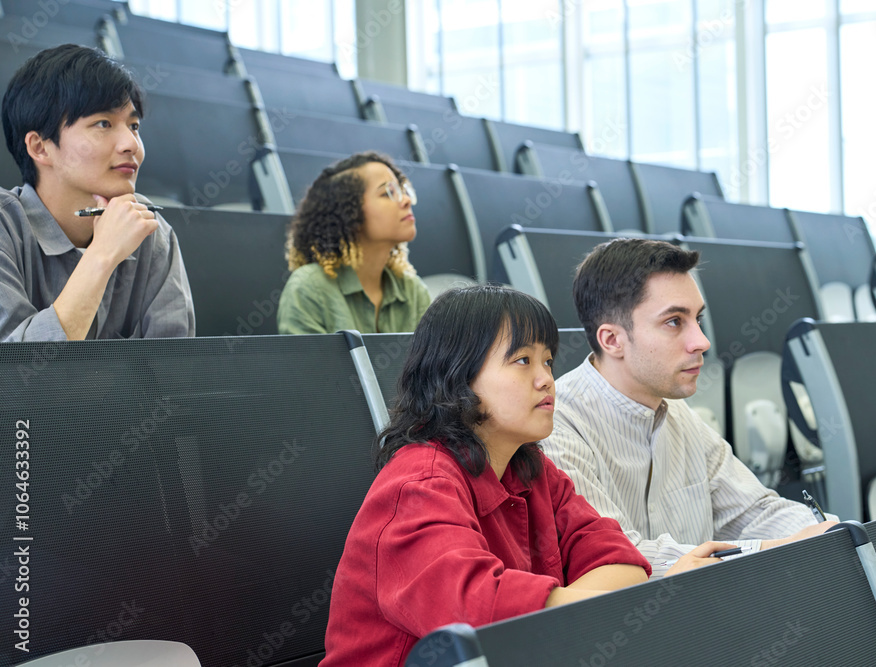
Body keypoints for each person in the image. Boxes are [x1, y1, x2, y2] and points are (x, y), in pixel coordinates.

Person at [319, 285, 733, 666]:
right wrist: (641, 600)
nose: (546, 379)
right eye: (522, 361)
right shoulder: (417, 485)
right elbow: (484, 623)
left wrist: (599, 599)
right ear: (457, 375)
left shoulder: (534, 470)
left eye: (548, 361)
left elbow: (622, 561)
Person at [542, 238, 838, 578]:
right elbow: (626, 558)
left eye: (697, 319)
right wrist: (782, 547)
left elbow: (753, 512)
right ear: (612, 340)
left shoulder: (678, 414)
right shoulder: (555, 427)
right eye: (674, 322)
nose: (702, 341)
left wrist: (833, 533)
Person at [0, 44, 195, 342]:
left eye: (134, 125)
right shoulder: (6, 228)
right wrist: (102, 255)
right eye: (103, 123)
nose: (131, 144)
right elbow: (18, 376)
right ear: (40, 147)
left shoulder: (149, 229)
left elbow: (174, 373)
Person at [277, 151, 431, 334]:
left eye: (403, 190)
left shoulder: (414, 291)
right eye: (388, 193)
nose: (406, 200)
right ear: (348, 214)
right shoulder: (308, 289)